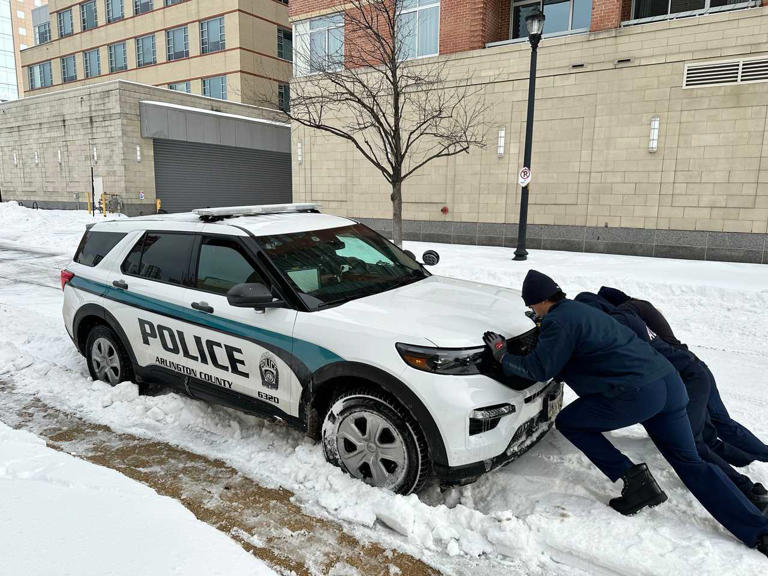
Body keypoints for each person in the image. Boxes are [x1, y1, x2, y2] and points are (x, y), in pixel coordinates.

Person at [482, 270, 768, 557]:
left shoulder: (559, 321)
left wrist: (503, 355)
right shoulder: (579, 311)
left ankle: (634, 480)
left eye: (531, 305)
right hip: (669, 383)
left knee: (571, 422)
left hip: (639, 394)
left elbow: (540, 369)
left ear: (540, 301)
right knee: (691, 461)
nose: (532, 310)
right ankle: (759, 531)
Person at [574, 291, 768, 512]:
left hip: (684, 378)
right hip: (691, 369)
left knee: (695, 445)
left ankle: (749, 489)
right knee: (710, 432)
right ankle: (749, 473)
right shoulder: (635, 311)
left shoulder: (618, 322)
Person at [598, 286, 768, 467]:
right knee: (718, 422)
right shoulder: (644, 306)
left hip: (686, 373)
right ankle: (745, 457)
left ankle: (754, 458)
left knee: (696, 433)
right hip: (695, 364)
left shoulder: (626, 312)